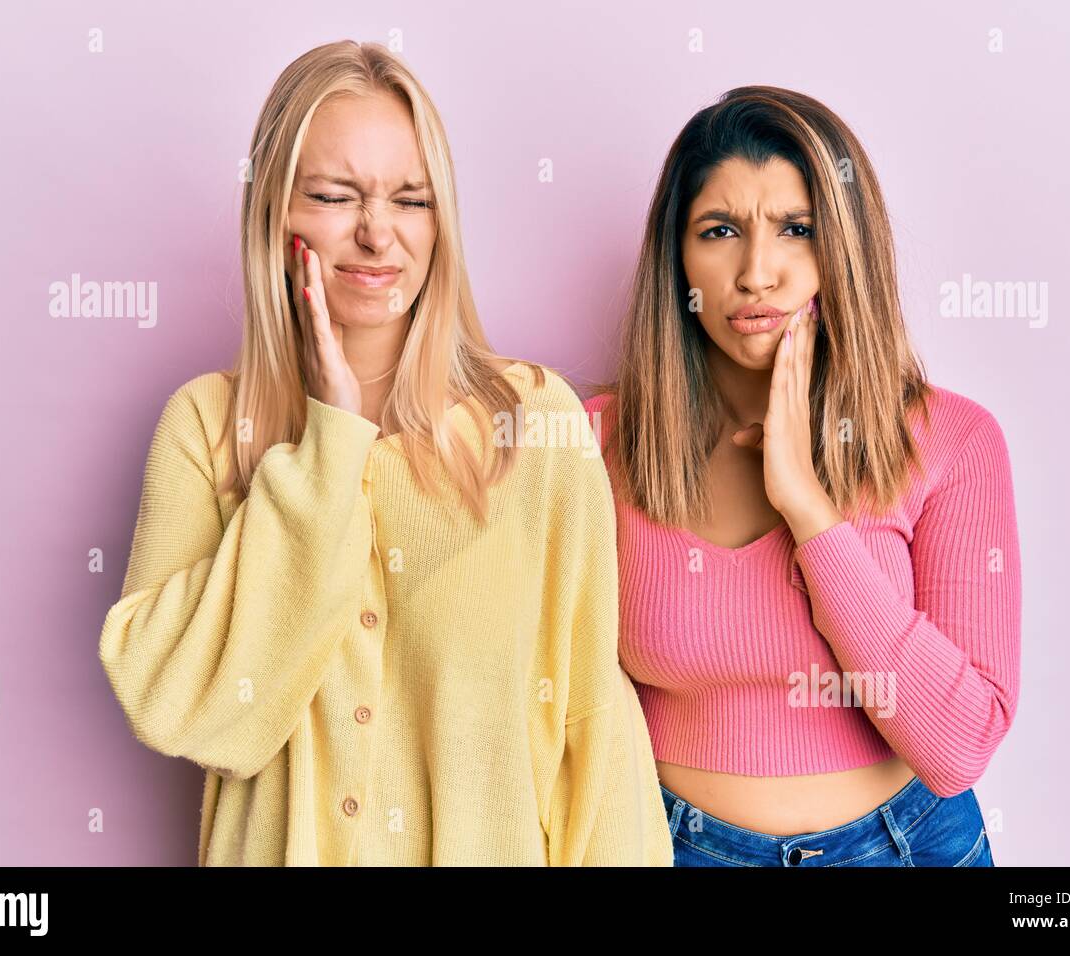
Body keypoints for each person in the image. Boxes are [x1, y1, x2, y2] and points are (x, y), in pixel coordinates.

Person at [99, 40, 671, 866]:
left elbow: (593, 728)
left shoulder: (535, 425)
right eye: (336, 196)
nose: (377, 234)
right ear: (274, 214)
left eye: (411, 199)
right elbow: (181, 708)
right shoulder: (207, 427)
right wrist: (329, 444)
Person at [582, 86, 1020, 867]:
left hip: (905, 848)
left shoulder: (955, 441)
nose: (757, 273)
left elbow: (957, 749)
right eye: (719, 231)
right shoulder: (598, 443)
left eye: (796, 229)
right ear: (677, 259)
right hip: (674, 847)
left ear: (842, 249)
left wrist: (811, 512)